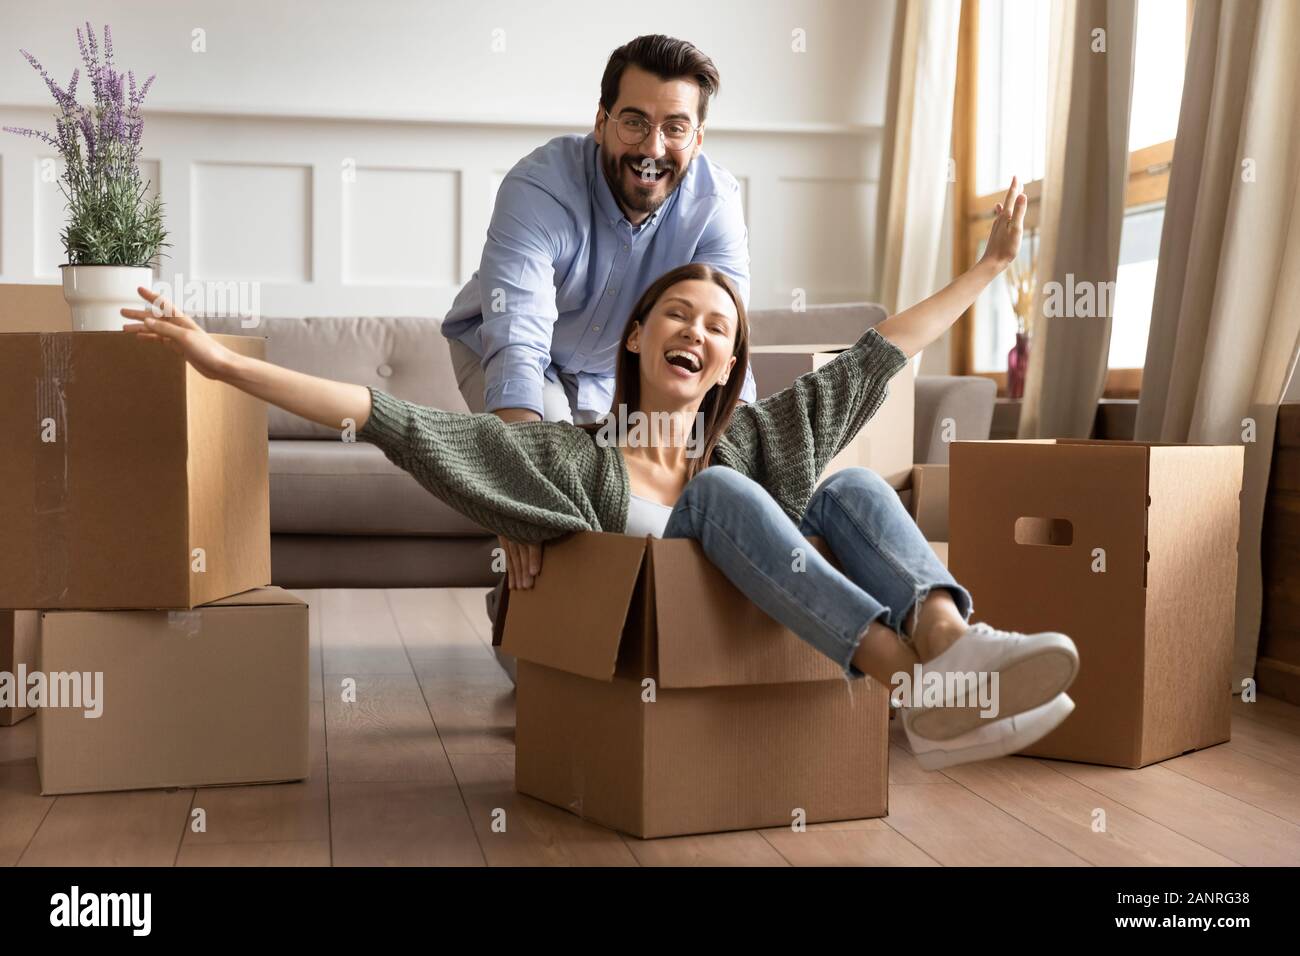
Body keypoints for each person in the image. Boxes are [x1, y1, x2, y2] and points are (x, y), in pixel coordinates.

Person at [120, 177, 1079, 771]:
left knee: (856, 490)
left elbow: (885, 349)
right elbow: (386, 417)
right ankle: (905, 685)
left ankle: (952, 646)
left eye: (719, 328)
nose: (697, 332)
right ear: (633, 333)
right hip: (635, 667)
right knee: (716, 495)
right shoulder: (569, 462)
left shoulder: (752, 439)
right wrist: (222, 363)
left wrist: (992, 268)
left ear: (730, 364)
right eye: (678, 314)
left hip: (739, 653)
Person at [440, 35, 757, 642]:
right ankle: (535, 640)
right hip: (511, 353)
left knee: (621, 503)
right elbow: (519, 345)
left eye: (675, 128)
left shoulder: (716, 204)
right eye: (634, 122)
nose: (652, 148)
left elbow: (725, 342)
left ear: (697, 138)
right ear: (601, 121)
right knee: (555, 487)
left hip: (618, 368)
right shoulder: (539, 187)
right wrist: (520, 495)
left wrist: (741, 481)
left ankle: (538, 615)